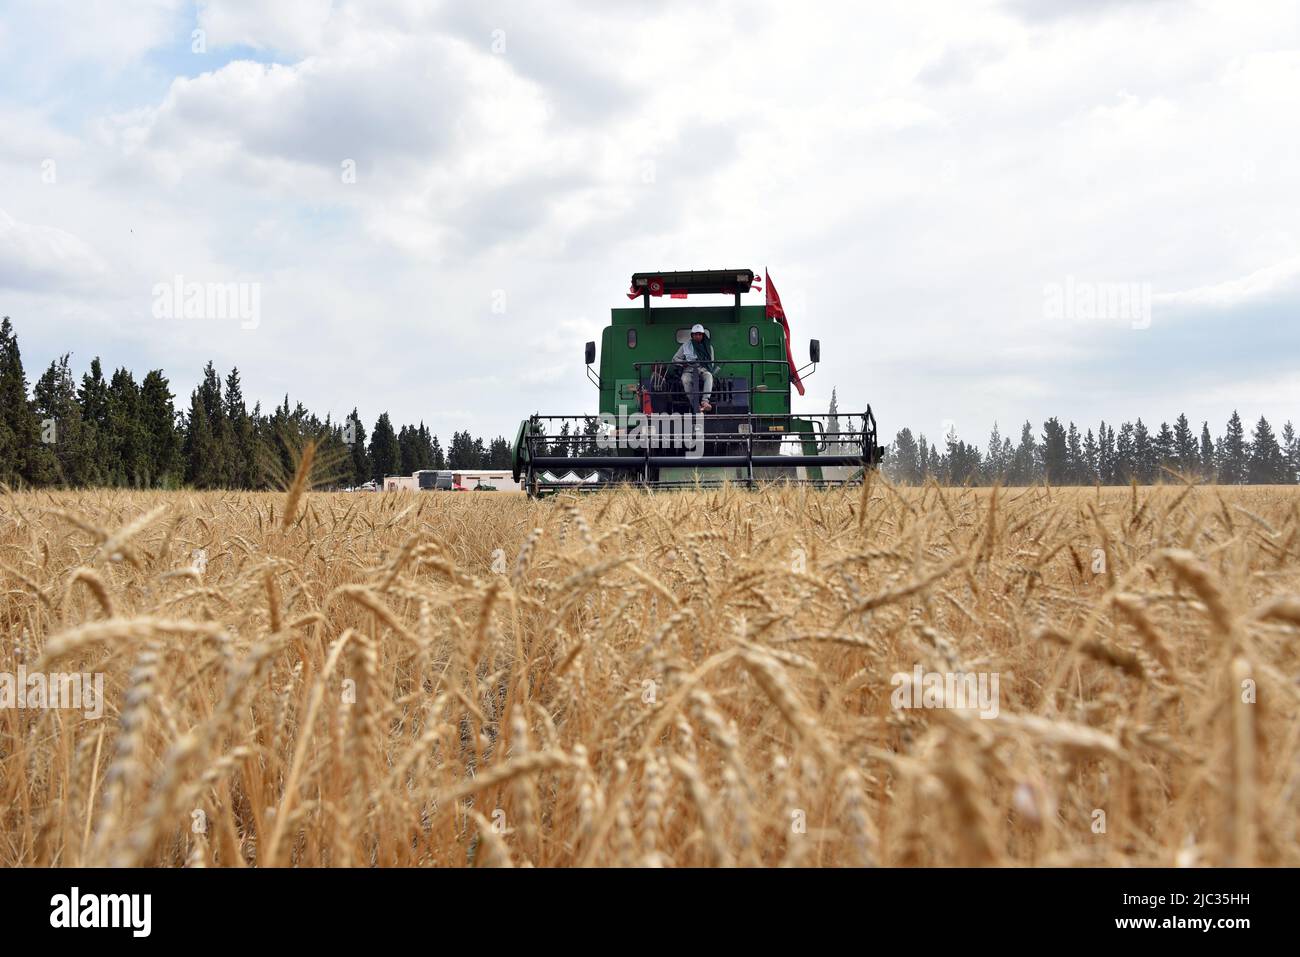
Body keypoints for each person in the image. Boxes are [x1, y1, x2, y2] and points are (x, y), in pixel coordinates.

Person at [672, 323, 715, 413]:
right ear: (692, 335)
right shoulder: (685, 346)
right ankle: (695, 405)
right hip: (689, 369)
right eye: (695, 334)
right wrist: (684, 363)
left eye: (700, 334)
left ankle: (705, 402)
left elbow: (711, 362)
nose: (698, 336)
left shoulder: (708, 347)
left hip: (703, 369)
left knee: (709, 376)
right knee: (685, 380)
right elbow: (675, 359)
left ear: (703, 335)